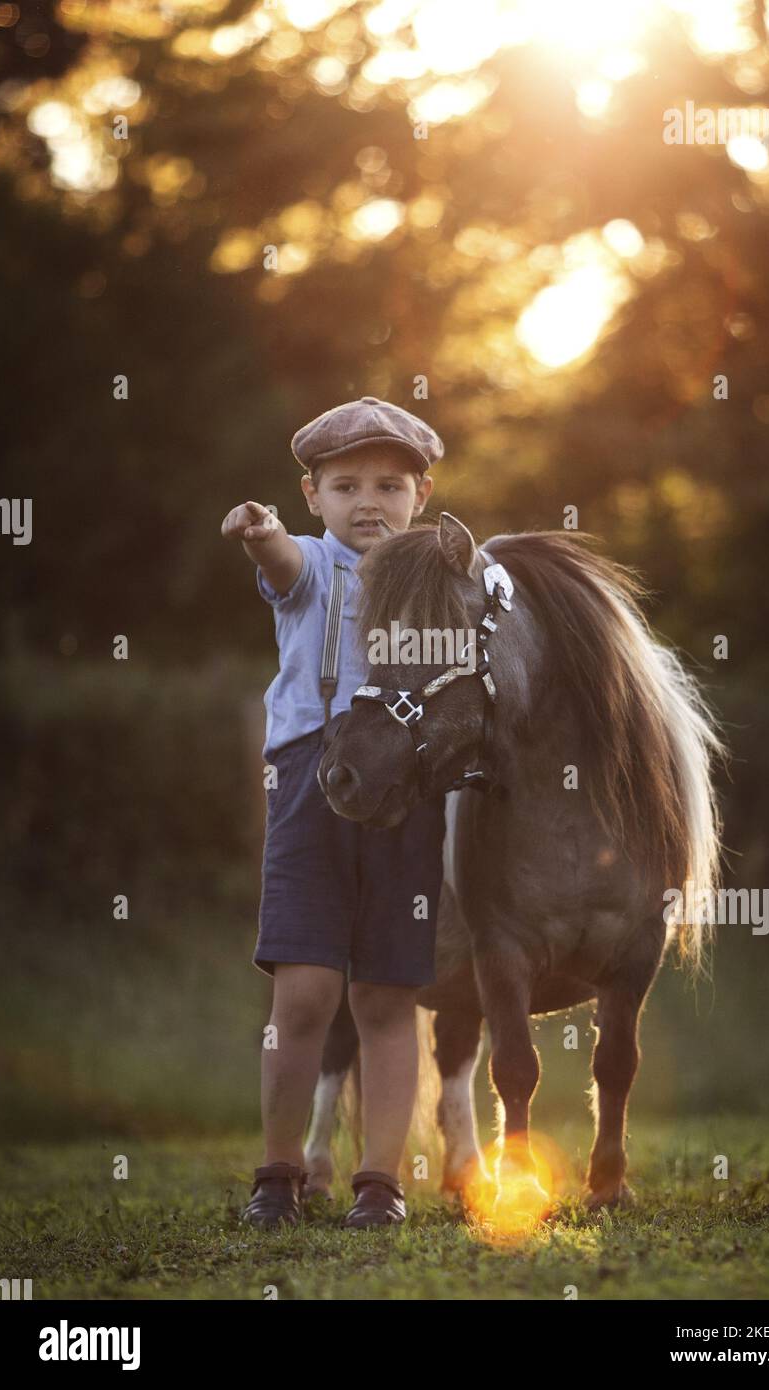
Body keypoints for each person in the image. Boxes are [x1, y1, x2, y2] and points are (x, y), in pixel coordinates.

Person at [220, 397, 447, 1229]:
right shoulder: (313, 561)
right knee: (305, 995)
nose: (369, 503)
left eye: (390, 485)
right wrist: (261, 532)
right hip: (312, 780)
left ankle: (379, 1184)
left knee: (388, 998)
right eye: (345, 485)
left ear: (422, 494)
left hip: (406, 792)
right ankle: (277, 1176)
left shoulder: (438, 576)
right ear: (313, 495)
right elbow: (280, 565)